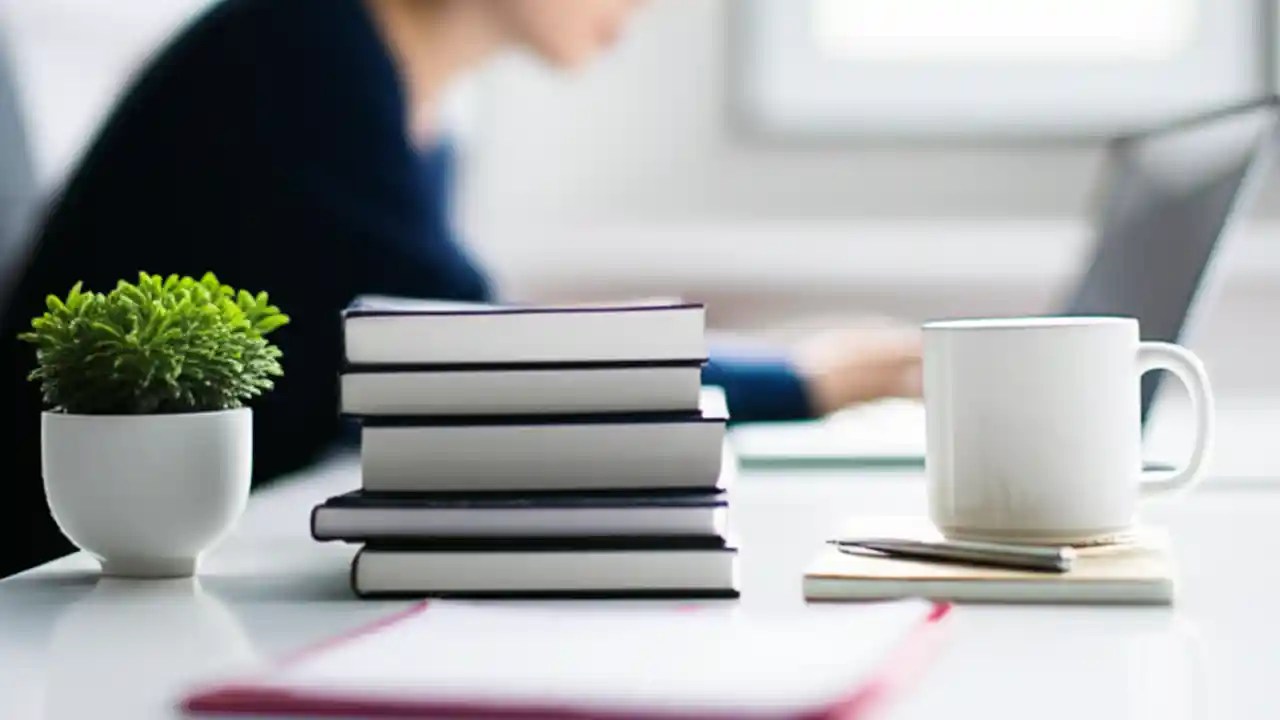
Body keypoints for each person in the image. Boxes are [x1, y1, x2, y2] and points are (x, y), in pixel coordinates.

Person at [0, 0, 921, 577]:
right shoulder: (304, 50)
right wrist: (806, 379)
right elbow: (472, 365)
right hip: (57, 575)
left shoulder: (401, 94)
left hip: (177, 560)